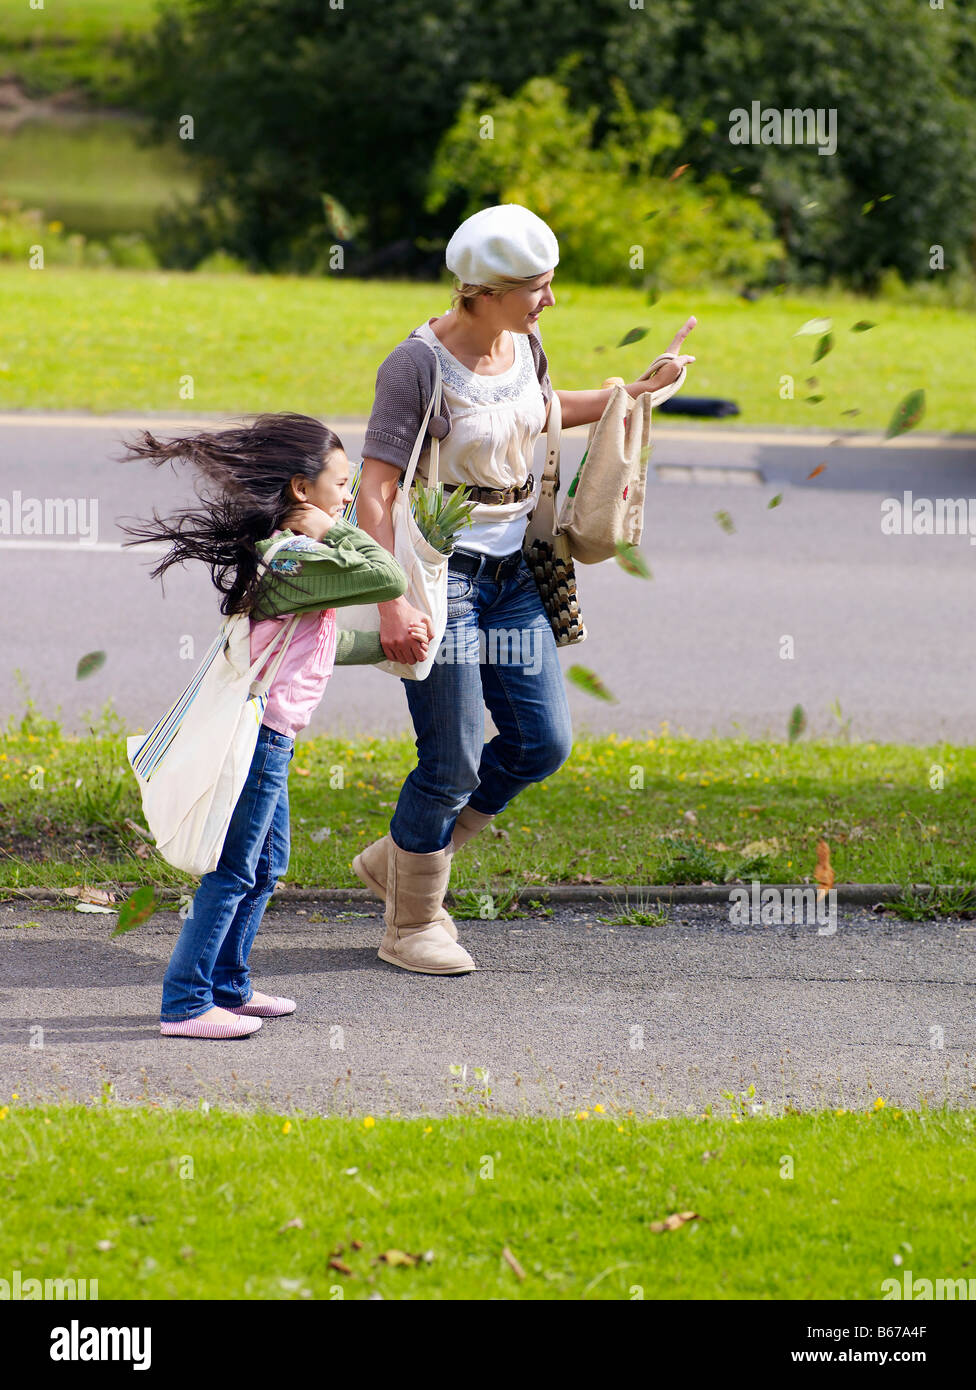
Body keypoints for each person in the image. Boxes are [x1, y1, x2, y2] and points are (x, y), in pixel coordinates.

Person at [354, 203, 696, 976]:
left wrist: (633, 393)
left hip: (517, 576)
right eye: (537, 288)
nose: (550, 301)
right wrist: (392, 600)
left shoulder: (525, 343)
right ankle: (412, 923)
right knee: (451, 763)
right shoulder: (415, 367)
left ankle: (400, 861)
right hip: (449, 582)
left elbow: (543, 413)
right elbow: (374, 492)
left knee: (542, 743)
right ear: (485, 290)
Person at [120, 414, 426, 1038]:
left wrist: (385, 649)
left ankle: (228, 988)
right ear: (300, 490)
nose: (347, 497)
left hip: (274, 735)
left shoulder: (297, 561)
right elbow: (387, 577)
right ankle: (185, 1004)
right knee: (233, 869)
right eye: (340, 485)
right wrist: (335, 530)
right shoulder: (291, 556)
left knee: (264, 867)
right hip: (256, 738)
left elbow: (311, 644)